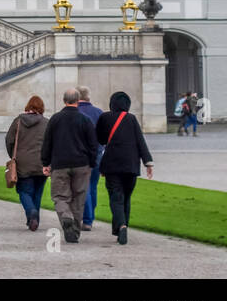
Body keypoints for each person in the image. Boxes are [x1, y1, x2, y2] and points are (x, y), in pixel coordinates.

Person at [40, 88, 99, 244]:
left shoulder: (56, 119)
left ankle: (66, 216)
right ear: (78, 100)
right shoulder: (85, 120)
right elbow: (93, 145)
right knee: (79, 198)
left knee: (60, 197)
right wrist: (92, 163)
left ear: (64, 100)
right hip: (82, 164)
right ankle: (75, 231)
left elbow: (47, 143)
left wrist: (45, 163)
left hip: (60, 163)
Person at [96, 91, 155, 245]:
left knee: (116, 197)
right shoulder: (131, 119)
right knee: (126, 198)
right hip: (131, 165)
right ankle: (123, 226)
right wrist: (148, 162)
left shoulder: (105, 117)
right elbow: (140, 141)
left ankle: (121, 226)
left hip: (112, 164)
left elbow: (100, 139)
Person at [5, 96, 50, 231]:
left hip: (23, 162)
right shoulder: (46, 123)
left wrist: (13, 155)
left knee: (24, 191)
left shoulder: (18, 121)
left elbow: (9, 141)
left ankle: (31, 213)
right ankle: (34, 218)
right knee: (37, 192)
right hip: (41, 162)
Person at [76, 86, 104, 231]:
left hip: (80, 155)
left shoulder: (75, 112)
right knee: (92, 187)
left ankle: (86, 219)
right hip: (97, 154)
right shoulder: (98, 112)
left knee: (83, 188)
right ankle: (89, 217)